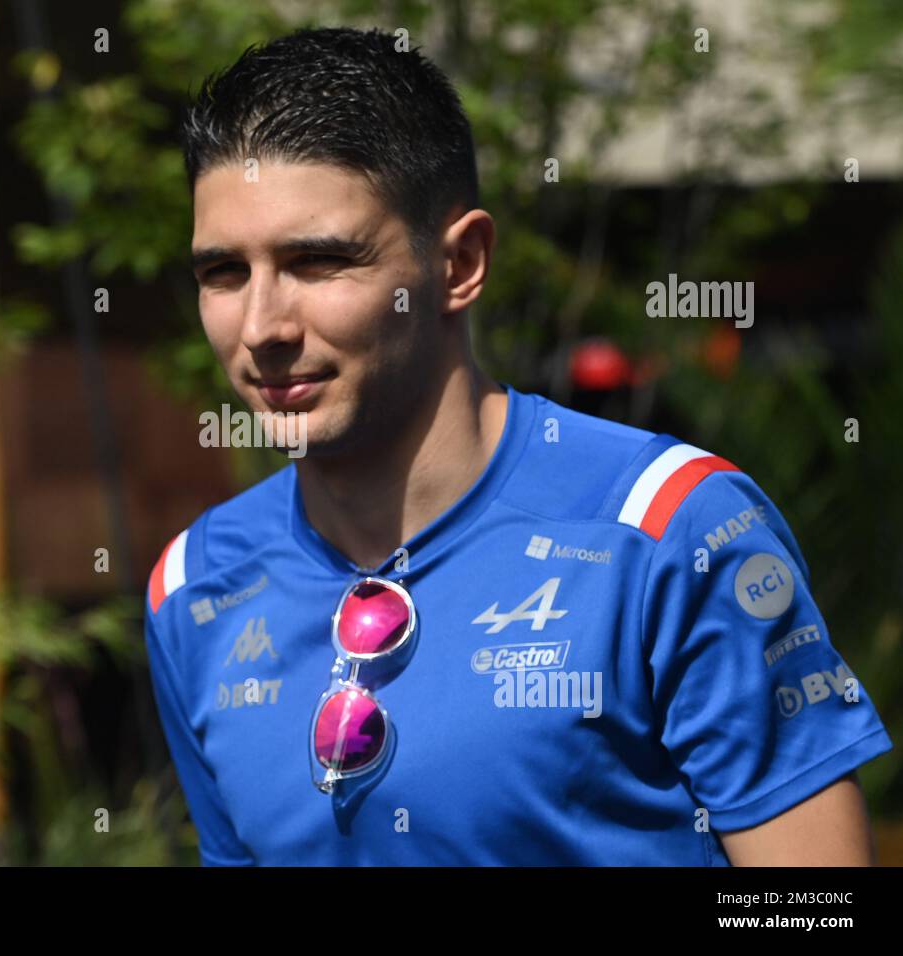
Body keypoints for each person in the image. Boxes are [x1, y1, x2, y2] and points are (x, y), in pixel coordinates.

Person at [142, 25, 892, 865]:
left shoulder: (672, 529)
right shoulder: (194, 588)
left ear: (460, 264)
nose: (262, 326)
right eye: (223, 273)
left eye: (319, 262)